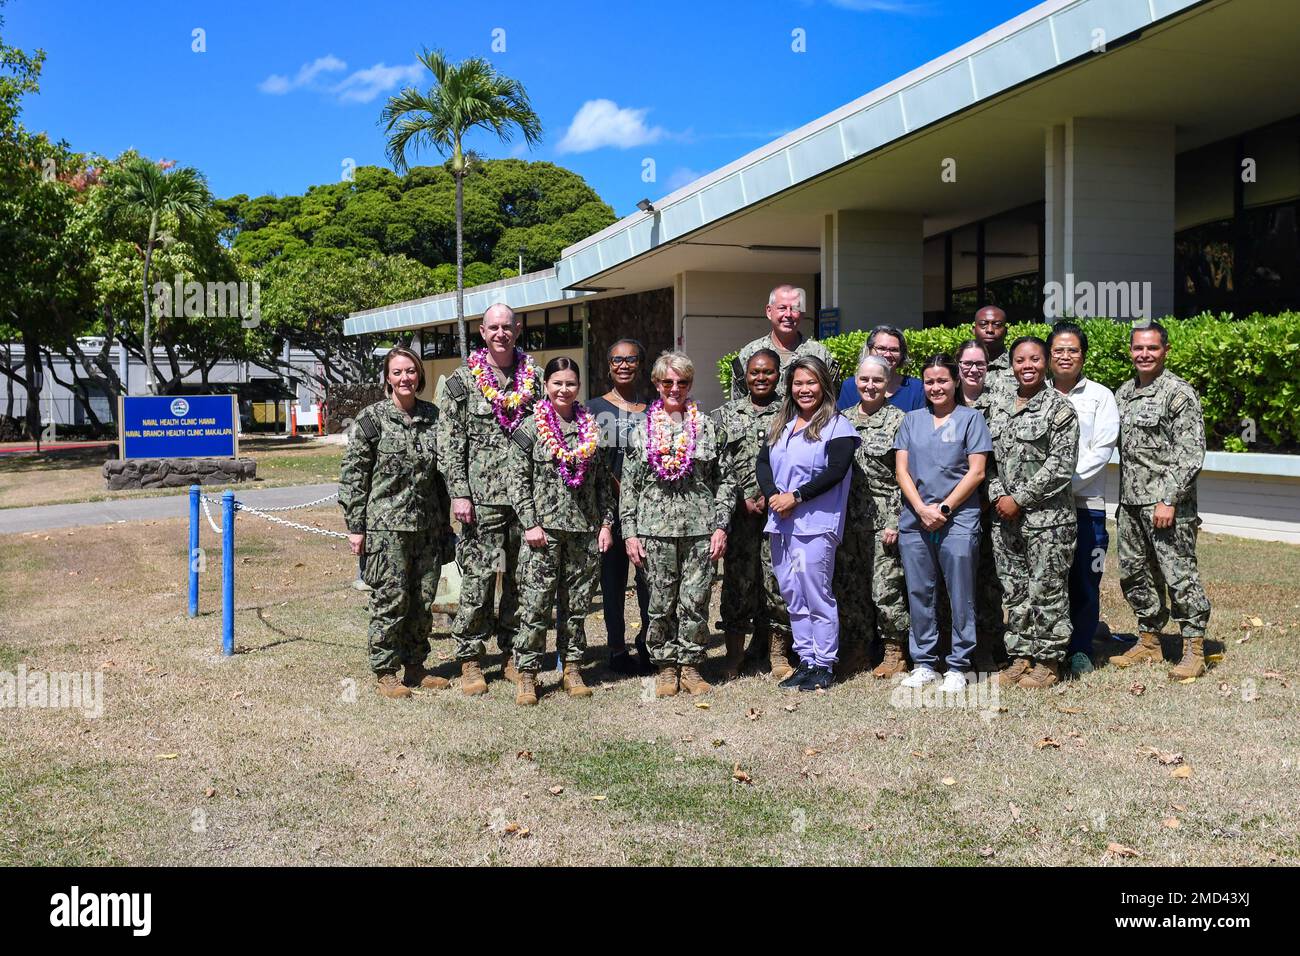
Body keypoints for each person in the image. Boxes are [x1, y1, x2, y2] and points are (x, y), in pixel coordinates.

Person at [438, 303, 542, 695]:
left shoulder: (535, 378)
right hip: (481, 500)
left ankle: (513, 654)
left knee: (520, 579)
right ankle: (470, 658)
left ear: (518, 329)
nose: (501, 333)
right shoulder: (463, 381)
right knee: (478, 580)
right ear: (482, 332)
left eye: (507, 327)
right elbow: (450, 442)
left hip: (526, 501)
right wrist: (459, 493)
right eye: (493, 327)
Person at [339, 346, 453, 699]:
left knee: (422, 599)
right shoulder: (372, 419)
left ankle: (416, 666)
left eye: (411, 371)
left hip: (428, 526)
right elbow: (354, 476)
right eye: (398, 372)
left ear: (419, 375)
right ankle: (386, 671)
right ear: (388, 378)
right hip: (386, 528)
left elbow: (443, 476)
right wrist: (356, 527)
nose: (405, 378)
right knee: (391, 599)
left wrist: (446, 524)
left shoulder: (434, 417)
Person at [621, 351, 734, 697]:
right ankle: (666, 667)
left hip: (701, 531)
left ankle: (691, 666)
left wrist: (721, 526)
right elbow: (629, 487)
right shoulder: (640, 431)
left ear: (690, 384)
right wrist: (630, 534)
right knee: (660, 603)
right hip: (654, 532)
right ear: (656, 384)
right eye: (668, 381)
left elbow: (726, 481)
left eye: (682, 382)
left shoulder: (709, 428)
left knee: (696, 600)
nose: (675, 388)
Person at [505, 358, 616, 706]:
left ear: (578, 387)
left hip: (583, 531)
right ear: (546, 385)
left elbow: (603, 484)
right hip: (543, 533)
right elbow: (516, 479)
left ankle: (572, 668)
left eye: (570, 383)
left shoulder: (591, 429)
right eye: (557, 383)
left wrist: (606, 524)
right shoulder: (529, 428)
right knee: (535, 604)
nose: (563, 389)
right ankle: (527, 674)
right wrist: (529, 522)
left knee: (577, 605)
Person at [1109, 322, 1212, 679]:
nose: (1144, 354)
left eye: (1152, 348)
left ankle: (1194, 648)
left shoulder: (1178, 393)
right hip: (1131, 503)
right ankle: (1149, 641)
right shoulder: (1123, 393)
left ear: (1166, 350)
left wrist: (1169, 499)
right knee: (1135, 573)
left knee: (1178, 574)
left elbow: (1191, 453)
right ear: (1130, 351)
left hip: (1168, 505)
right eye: (1138, 348)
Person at [756, 355, 859, 692]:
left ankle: (824, 663)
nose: (804, 389)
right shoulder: (781, 425)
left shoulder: (837, 426)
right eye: (798, 383)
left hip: (814, 525)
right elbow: (763, 464)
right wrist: (774, 496)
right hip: (781, 524)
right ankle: (806, 659)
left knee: (816, 594)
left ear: (824, 385)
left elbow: (836, 471)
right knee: (792, 593)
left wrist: (795, 497)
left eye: (811, 382)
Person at [894, 355, 991, 692]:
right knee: (919, 591)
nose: (936, 387)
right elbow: (901, 471)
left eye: (942, 381)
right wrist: (922, 509)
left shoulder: (971, 419)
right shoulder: (911, 421)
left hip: (958, 519)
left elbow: (977, 472)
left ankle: (958, 664)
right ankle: (924, 662)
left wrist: (945, 508)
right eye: (929, 382)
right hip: (916, 519)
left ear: (956, 382)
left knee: (960, 592)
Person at [988, 337, 1080, 689]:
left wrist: (1019, 499)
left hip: (1048, 521)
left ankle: (1049, 661)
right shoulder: (999, 406)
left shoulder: (1059, 409)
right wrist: (998, 494)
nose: (1027, 366)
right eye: (1020, 360)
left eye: (1035, 359)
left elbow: (1061, 466)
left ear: (1046, 363)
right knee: (1014, 590)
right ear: (1011, 365)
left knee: (1047, 589)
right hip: (1004, 519)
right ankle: (1021, 655)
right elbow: (986, 458)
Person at [713, 349, 792, 680]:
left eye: (768, 372)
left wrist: (774, 496)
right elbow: (719, 465)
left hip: (780, 513)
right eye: (755, 372)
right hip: (740, 516)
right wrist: (741, 498)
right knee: (737, 584)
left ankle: (778, 654)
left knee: (778, 581)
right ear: (745, 376)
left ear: (778, 375)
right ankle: (735, 654)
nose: (761, 378)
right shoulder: (725, 415)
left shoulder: (791, 412)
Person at [1048, 321, 1120, 677]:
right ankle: (1047, 648)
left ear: (1083, 355)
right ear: (1049, 356)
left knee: (1085, 581)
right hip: (1043, 511)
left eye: (1072, 350)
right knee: (1046, 581)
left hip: (1085, 507)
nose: (1065, 356)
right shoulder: (1035, 394)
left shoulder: (1101, 397)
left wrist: (1059, 487)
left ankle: (1080, 649)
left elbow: (1101, 451)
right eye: (1058, 350)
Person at [835, 354, 910, 678]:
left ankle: (895, 650)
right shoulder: (841, 419)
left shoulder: (900, 421)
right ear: (855, 381)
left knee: (886, 588)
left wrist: (895, 520)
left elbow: (905, 477)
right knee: (850, 588)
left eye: (877, 380)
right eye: (864, 379)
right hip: (846, 520)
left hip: (882, 521)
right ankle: (859, 648)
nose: (870, 385)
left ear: (887, 383)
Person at [586, 339, 652, 675]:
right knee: (612, 583)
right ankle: (616, 649)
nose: (624, 365)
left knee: (648, 582)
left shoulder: (654, 410)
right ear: (608, 365)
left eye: (631, 359)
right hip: (608, 512)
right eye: (617, 360)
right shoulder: (592, 409)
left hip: (647, 511)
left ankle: (649, 644)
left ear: (641, 365)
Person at [954, 338, 1007, 670]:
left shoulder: (1000, 401)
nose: (973, 369)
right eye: (967, 363)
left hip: (989, 504)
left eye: (980, 364)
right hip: (949, 505)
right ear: (957, 366)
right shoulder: (944, 398)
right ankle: (951, 643)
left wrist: (988, 496)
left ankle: (987, 645)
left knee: (988, 578)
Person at [731, 284, 840, 400]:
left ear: (802, 313)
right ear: (769, 311)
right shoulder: (750, 353)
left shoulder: (820, 354)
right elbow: (737, 402)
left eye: (794, 309)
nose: (788, 314)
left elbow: (831, 400)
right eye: (782, 308)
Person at [835, 326, 926, 412]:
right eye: (881, 348)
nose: (887, 354)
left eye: (894, 350)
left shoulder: (917, 389)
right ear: (869, 350)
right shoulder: (850, 387)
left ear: (902, 355)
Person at [973, 306, 1016, 398]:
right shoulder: (961, 366)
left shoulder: (1018, 365)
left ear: (1006, 331)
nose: (990, 330)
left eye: (997, 325)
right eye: (983, 324)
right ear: (974, 330)